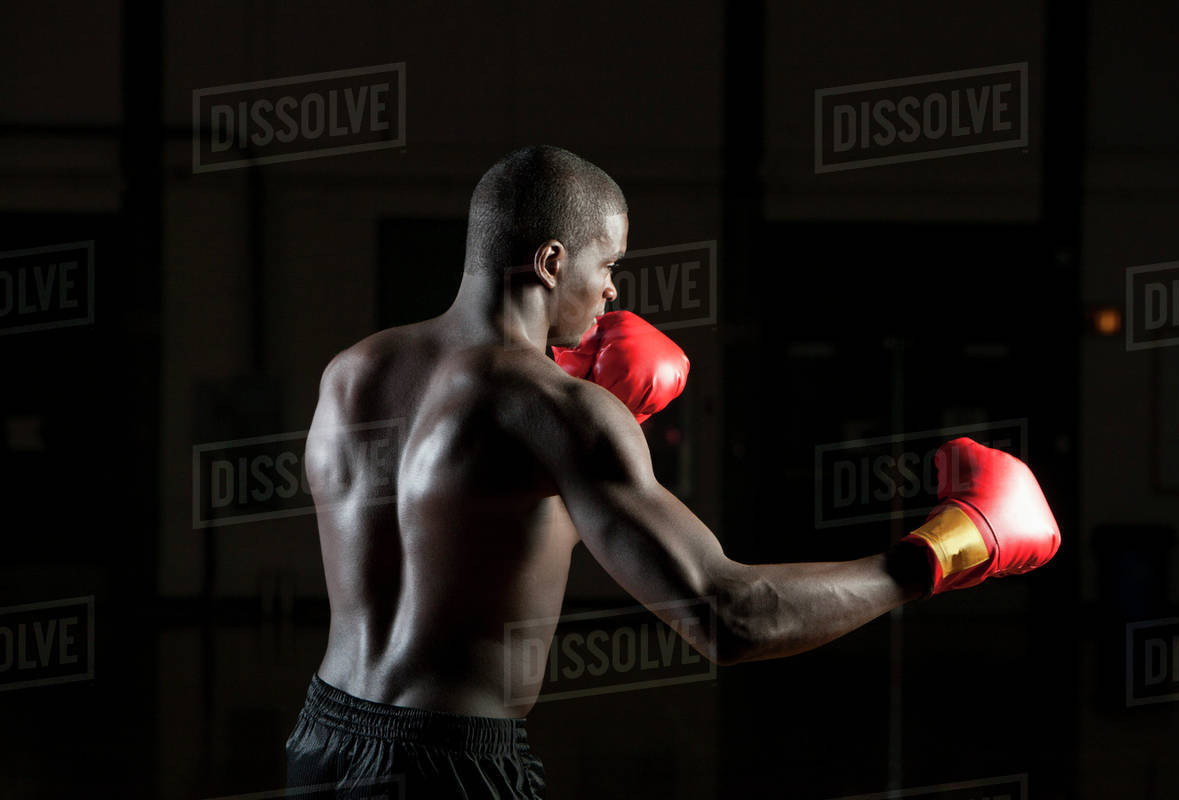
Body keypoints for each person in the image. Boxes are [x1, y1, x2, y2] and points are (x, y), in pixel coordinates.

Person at [284, 145, 1061, 798]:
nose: (613, 289)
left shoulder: (353, 372)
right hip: (452, 768)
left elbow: (475, 538)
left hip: (321, 741)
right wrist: (946, 548)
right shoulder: (562, 411)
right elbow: (732, 616)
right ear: (551, 262)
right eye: (608, 264)